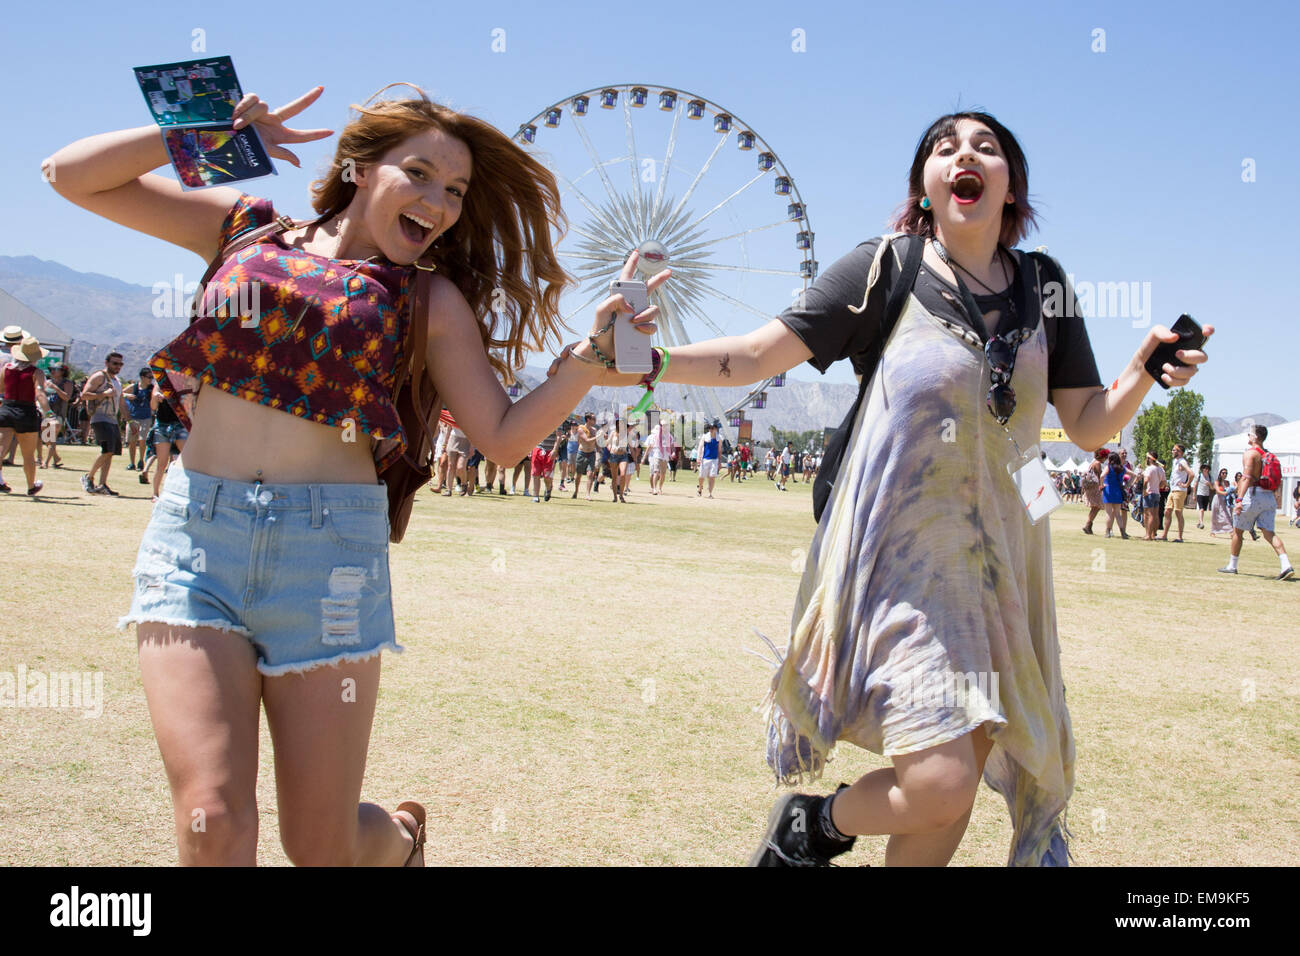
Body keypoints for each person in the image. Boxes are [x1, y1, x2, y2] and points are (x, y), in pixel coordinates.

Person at [554, 111, 1212, 866]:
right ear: (925, 189)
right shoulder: (884, 268)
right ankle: (813, 824)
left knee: (947, 801)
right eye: (945, 147)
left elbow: (1088, 423)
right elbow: (753, 355)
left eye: (986, 147)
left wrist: (1145, 371)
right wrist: (641, 361)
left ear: (1011, 189)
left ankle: (816, 830)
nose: (965, 154)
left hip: (999, 575)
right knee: (938, 783)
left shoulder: (1045, 286)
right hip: (899, 570)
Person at [49, 81, 667, 866]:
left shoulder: (429, 298)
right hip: (195, 545)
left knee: (322, 849)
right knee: (213, 818)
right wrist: (206, 131)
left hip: (329, 561)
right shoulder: (244, 230)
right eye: (419, 174)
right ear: (358, 168)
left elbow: (504, 437)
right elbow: (69, 176)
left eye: (455, 191)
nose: (438, 203)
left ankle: (398, 842)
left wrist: (585, 359)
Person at [1218, 424, 1293, 580]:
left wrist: (1239, 499)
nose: (1248, 437)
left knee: (1238, 530)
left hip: (1253, 495)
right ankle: (1286, 564)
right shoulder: (1268, 455)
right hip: (1269, 497)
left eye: (1249, 435)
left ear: (1255, 437)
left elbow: (1247, 477)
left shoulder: (1250, 454)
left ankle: (1232, 565)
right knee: (1269, 533)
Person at [0, 335, 56, 495]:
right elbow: (40, 393)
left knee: (1, 449)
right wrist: (49, 413)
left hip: (6, 409)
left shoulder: (7, 368)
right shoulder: (36, 372)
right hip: (26, 412)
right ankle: (31, 486)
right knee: (28, 455)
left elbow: (1, 389)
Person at [80, 351, 126, 495]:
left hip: (112, 419)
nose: (118, 366)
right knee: (107, 449)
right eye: (115, 363)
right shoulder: (99, 376)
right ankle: (88, 477)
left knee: (111, 452)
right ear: (107, 363)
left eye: (120, 364)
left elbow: (122, 402)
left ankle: (102, 484)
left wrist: (129, 419)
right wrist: (103, 394)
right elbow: (84, 395)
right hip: (100, 418)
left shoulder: (117, 381)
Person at [148, 384, 189, 502]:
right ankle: (155, 494)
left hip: (180, 424)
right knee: (162, 463)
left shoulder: (183, 381)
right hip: (162, 425)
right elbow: (153, 406)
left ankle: (182, 491)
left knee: (186, 460)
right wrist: (156, 397)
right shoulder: (159, 382)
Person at [40, 363, 75, 468]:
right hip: (47, 412)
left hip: (58, 413)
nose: (52, 371)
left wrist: (56, 388)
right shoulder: (47, 382)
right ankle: (56, 457)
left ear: (63, 371)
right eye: (51, 369)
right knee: (45, 437)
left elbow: (67, 398)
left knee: (51, 436)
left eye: (56, 369)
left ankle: (46, 462)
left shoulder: (67, 383)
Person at [122, 367, 156, 472]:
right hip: (133, 417)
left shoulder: (152, 388)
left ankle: (141, 461)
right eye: (149, 377)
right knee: (132, 441)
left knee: (142, 440)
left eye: (152, 377)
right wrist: (127, 395)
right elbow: (121, 393)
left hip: (146, 417)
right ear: (142, 377)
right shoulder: (134, 387)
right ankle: (132, 463)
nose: (151, 379)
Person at [1160, 444, 1193, 542]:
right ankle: (1164, 535)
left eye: (1174, 450)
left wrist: (1186, 484)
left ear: (1180, 452)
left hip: (1180, 490)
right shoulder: (1175, 461)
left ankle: (1180, 537)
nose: (1172, 451)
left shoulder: (1182, 462)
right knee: (1167, 511)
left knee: (1178, 512)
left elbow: (1191, 474)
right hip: (1173, 489)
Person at [1100, 451, 1130, 539]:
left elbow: (1102, 476)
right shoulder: (1122, 468)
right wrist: (1127, 485)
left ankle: (1108, 532)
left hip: (1108, 490)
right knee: (1117, 513)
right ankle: (1123, 532)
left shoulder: (1109, 467)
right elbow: (1134, 475)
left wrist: (1101, 485)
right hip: (1118, 491)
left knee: (1109, 513)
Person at [645, 415, 673, 495]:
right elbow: (651, 445)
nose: (664, 427)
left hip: (665, 456)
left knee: (663, 474)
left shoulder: (669, 436)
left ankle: (660, 488)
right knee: (656, 472)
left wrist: (672, 453)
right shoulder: (656, 435)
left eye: (666, 425)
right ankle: (654, 488)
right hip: (657, 455)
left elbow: (671, 446)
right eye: (663, 425)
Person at [1080, 448, 1105, 534]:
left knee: (1095, 507)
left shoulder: (1092, 463)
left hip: (1091, 487)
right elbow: (1099, 475)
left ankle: (1089, 525)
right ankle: (1088, 524)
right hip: (1095, 488)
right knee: (1096, 506)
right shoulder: (1097, 463)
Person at [1142, 453, 1166, 541]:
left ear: (1150, 459)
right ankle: (1153, 534)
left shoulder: (1150, 468)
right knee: (1156, 515)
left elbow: (1146, 480)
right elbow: (1164, 483)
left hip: (1149, 493)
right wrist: (1157, 487)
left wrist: (1144, 490)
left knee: (1148, 514)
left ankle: (1148, 534)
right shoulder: (1161, 469)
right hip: (1157, 493)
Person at [694, 422, 721, 498]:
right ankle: (700, 489)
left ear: (715, 429)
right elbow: (700, 447)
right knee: (701, 476)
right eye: (709, 428)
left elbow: (719, 450)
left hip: (714, 460)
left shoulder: (719, 438)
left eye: (712, 428)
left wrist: (719, 461)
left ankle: (710, 493)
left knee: (712, 476)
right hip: (705, 459)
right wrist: (698, 457)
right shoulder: (705, 437)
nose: (710, 430)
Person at [529, 436, 555, 502]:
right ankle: (535, 497)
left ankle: (548, 488)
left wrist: (555, 450)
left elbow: (559, 437)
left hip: (549, 451)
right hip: (537, 449)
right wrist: (530, 449)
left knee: (547, 477)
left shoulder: (554, 425)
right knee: (535, 474)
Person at [1209, 468, 1233, 536]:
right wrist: (1225, 493)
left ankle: (1231, 531)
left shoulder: (1227, 482)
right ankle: (1213, 531)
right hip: (1217, 499)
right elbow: (1218, 491)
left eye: (1226, 473)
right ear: (1220, 474)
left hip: (1225, 500)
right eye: (1223, 473)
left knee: (1227, 515)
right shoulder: (1217, 482)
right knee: (1215, 516)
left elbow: (1230, 490)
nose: (1224, 474)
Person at [1193, 463, 1213, 530]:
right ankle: (1201, 522)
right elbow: (1195, 485)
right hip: (1200, 493)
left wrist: (1209, 484)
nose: (1205, 469)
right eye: (1204, 468)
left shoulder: (1210, 477)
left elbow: (1212, 488)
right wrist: (1194, 494)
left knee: (1203, 510)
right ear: (1202, 469)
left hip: (1206, 495)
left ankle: (1199, 522)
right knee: (1201, 509)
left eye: (1207, 468)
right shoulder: (1199, 476)